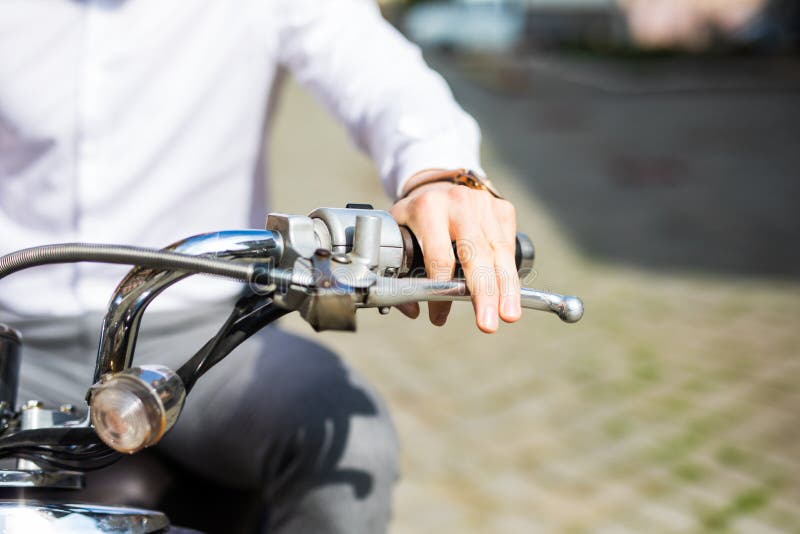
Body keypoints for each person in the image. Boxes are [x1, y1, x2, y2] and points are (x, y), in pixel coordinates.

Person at [0, 1, 521, 532]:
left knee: (350, 441)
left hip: (205, 336)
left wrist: (439, 175)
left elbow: (377, 70)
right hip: (13, 327)